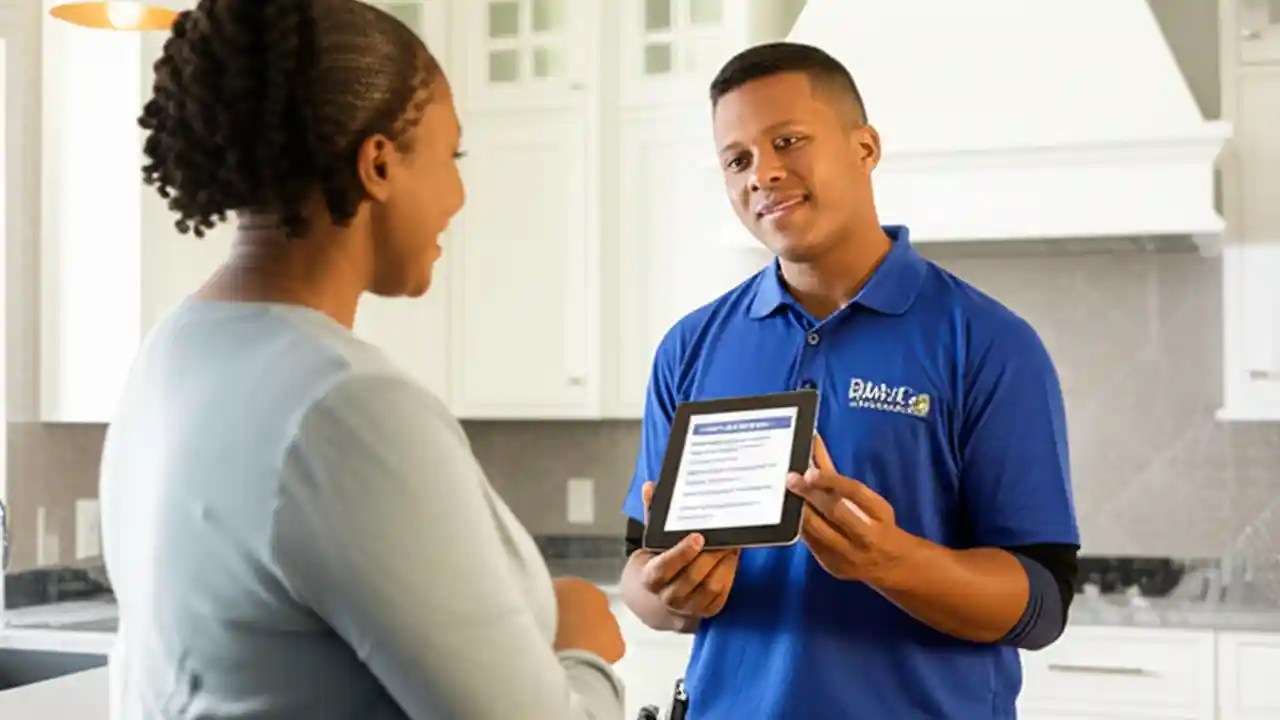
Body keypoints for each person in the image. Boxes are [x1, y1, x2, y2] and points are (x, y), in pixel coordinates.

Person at [98, 1, 625, 718]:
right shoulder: (345, 407)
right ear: (378, 163)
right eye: (451, 157)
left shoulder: (172, 355)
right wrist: (582, 650)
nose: (458, 196)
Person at [618, 42, 1081, 719]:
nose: (764, 173)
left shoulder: (990, 344)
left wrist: (890, 562)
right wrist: (665, 594)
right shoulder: (691, 347)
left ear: (865, 148)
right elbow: (639, 568)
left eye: (789, 141)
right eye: (738, 159)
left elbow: (1042, 605)